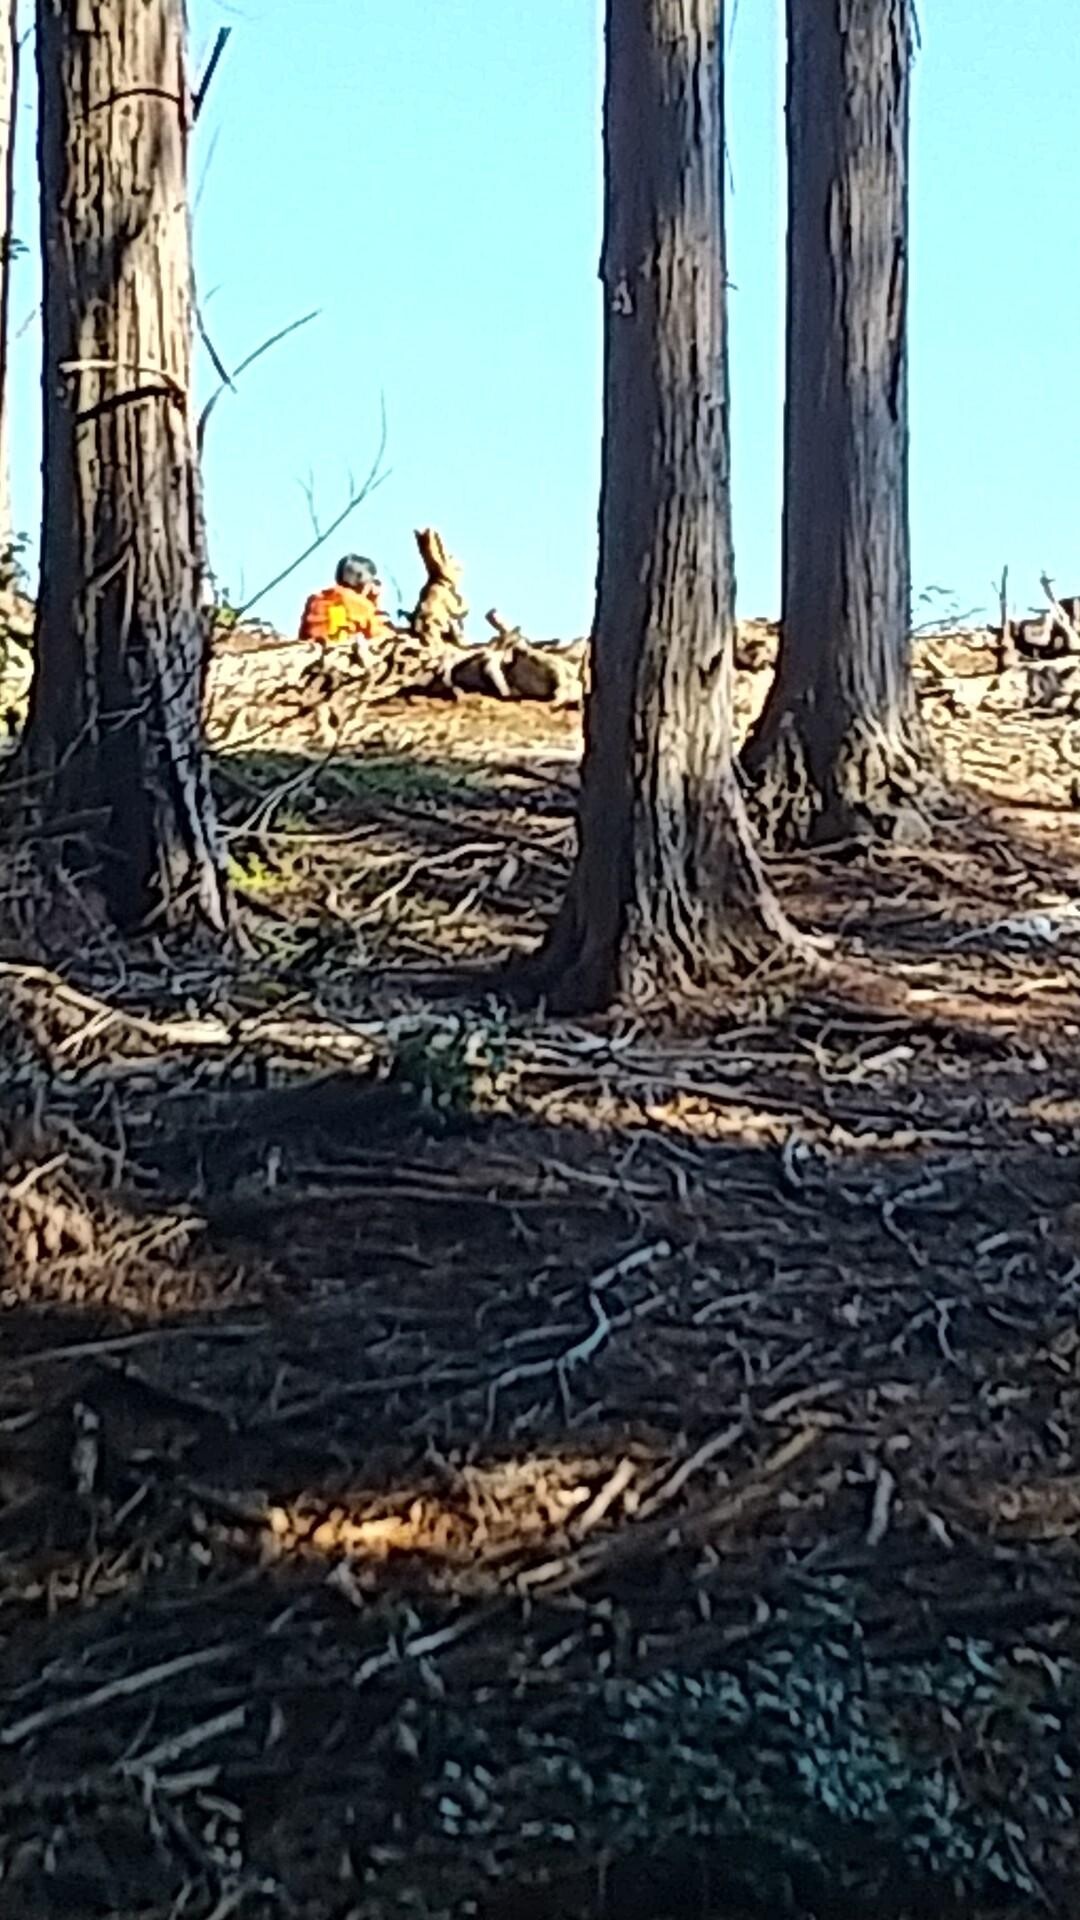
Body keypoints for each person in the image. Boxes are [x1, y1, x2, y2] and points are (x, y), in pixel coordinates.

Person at [298, 556, 391, 655]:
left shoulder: (315, 600)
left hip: (313, 655)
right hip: (342, 656)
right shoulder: (362, 605)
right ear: (364, 580)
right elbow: (384, 639)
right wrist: (376, 604)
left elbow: (303, 635)